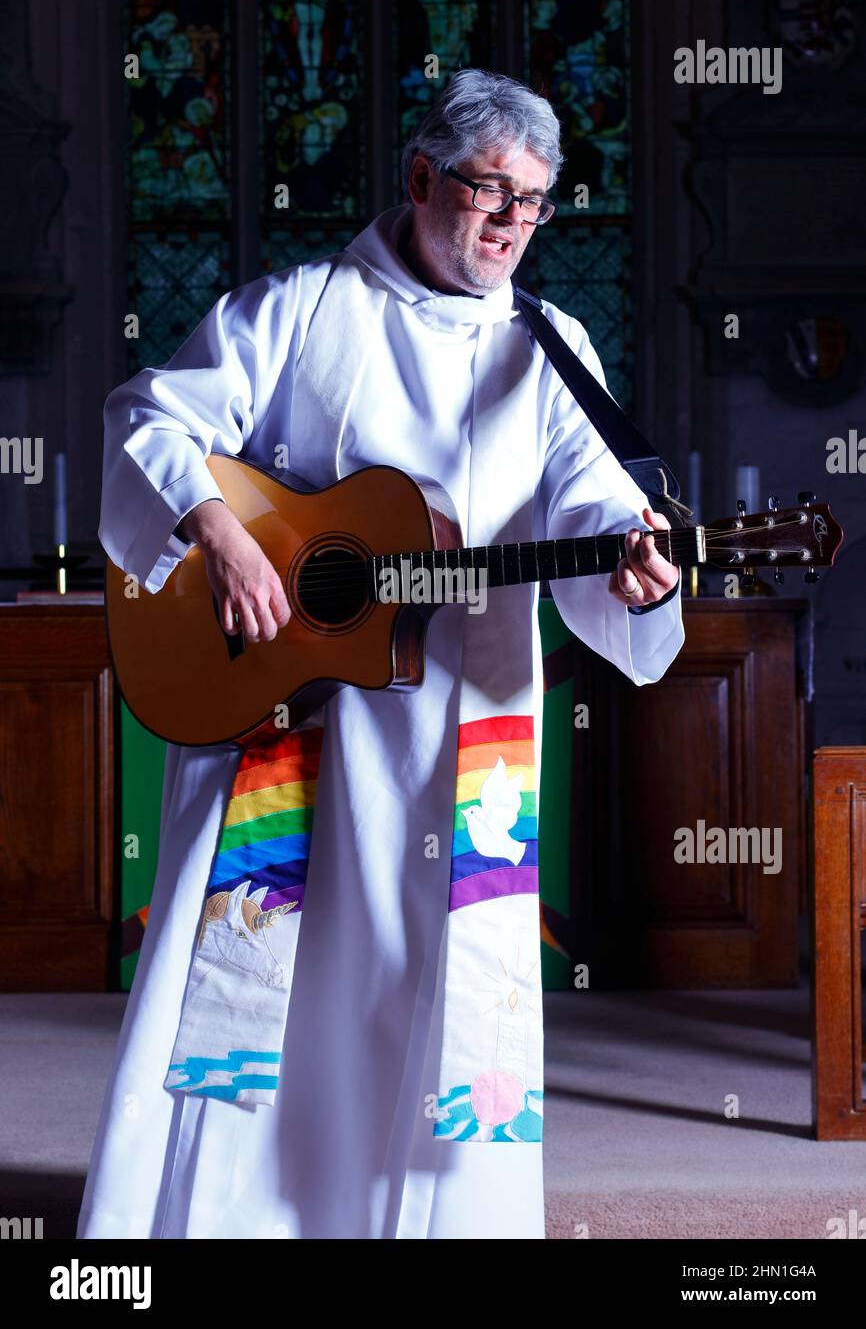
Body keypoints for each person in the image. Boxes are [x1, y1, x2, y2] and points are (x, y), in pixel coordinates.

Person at [77, 68, 683, 1240]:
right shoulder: (304, 307)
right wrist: (222, 536)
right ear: (418, 179)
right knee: (268, 989)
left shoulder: (550, 349)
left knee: (440, 986)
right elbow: (148, 416)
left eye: (535, 201)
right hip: (285, 708)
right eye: (485, 191)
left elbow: (590, 512)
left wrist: (634, 565)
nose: (510, 222)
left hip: (461, 732)